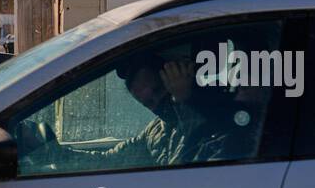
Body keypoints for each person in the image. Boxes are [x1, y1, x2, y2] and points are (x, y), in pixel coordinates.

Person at [22, 52, 256, 171]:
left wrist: (186, 99)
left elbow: (187, 162)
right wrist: (51, 153)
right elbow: (109, 161)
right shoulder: (157, 133)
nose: (156, 104)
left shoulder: (216, 120)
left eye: (157, 91)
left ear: (172, 78)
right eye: (147, 103)